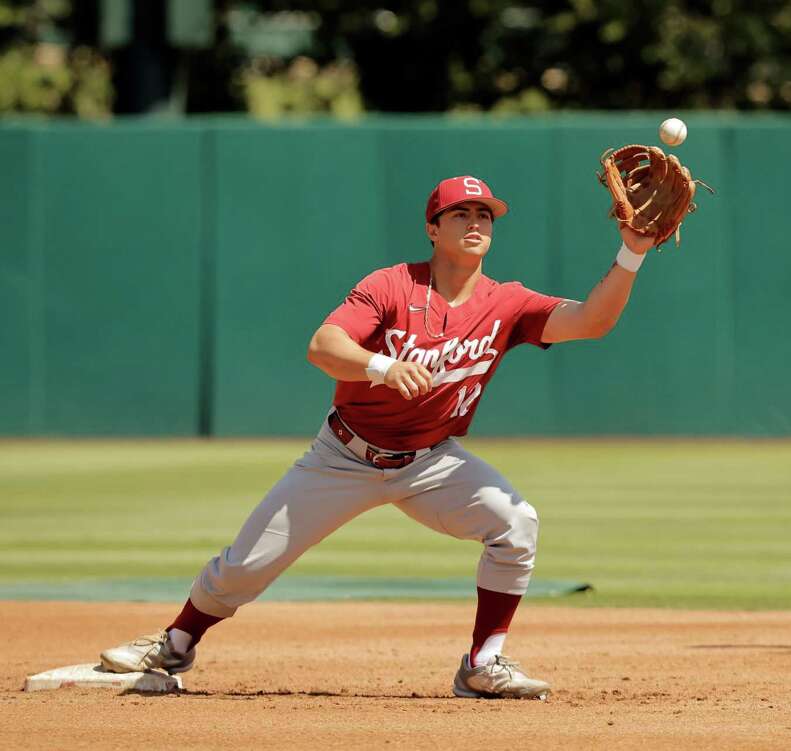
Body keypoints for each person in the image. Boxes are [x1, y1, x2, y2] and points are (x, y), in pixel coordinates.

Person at [99, 175, 658, 698]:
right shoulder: (390, 285)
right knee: (245, 566)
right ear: (432, 228)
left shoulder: (505, 301)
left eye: (485, 214)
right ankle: (174, 646)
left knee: (516, 525)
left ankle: (483, 665)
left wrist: (631, 252)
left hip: (431, 462)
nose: (475, 221)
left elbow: (591, 320)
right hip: (343, 456)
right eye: (459, 212)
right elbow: (323, 347)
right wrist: (382, 367)